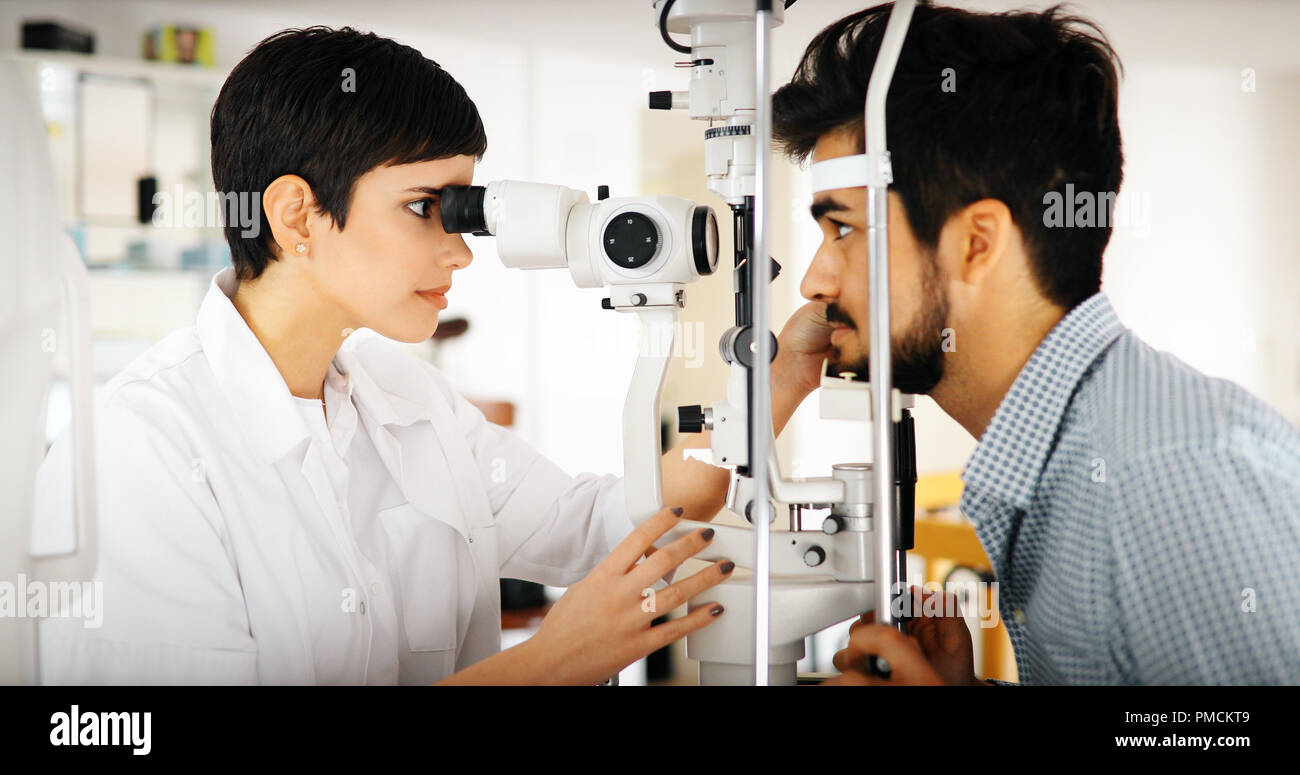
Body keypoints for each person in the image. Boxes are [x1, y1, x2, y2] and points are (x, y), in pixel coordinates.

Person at [30, 26, 832, 685]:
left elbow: (613, 525)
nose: (460, 251)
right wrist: (548, 664)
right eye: (424, 207)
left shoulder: (410, 400)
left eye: (463, 210)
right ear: (296, 215)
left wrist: (781, 381)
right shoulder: (139, 450)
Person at [771, 3, 1300, 684]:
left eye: (843, 229)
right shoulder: (1064, 459)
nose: (814, 281)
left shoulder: (1168, 478)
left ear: (977, 243)